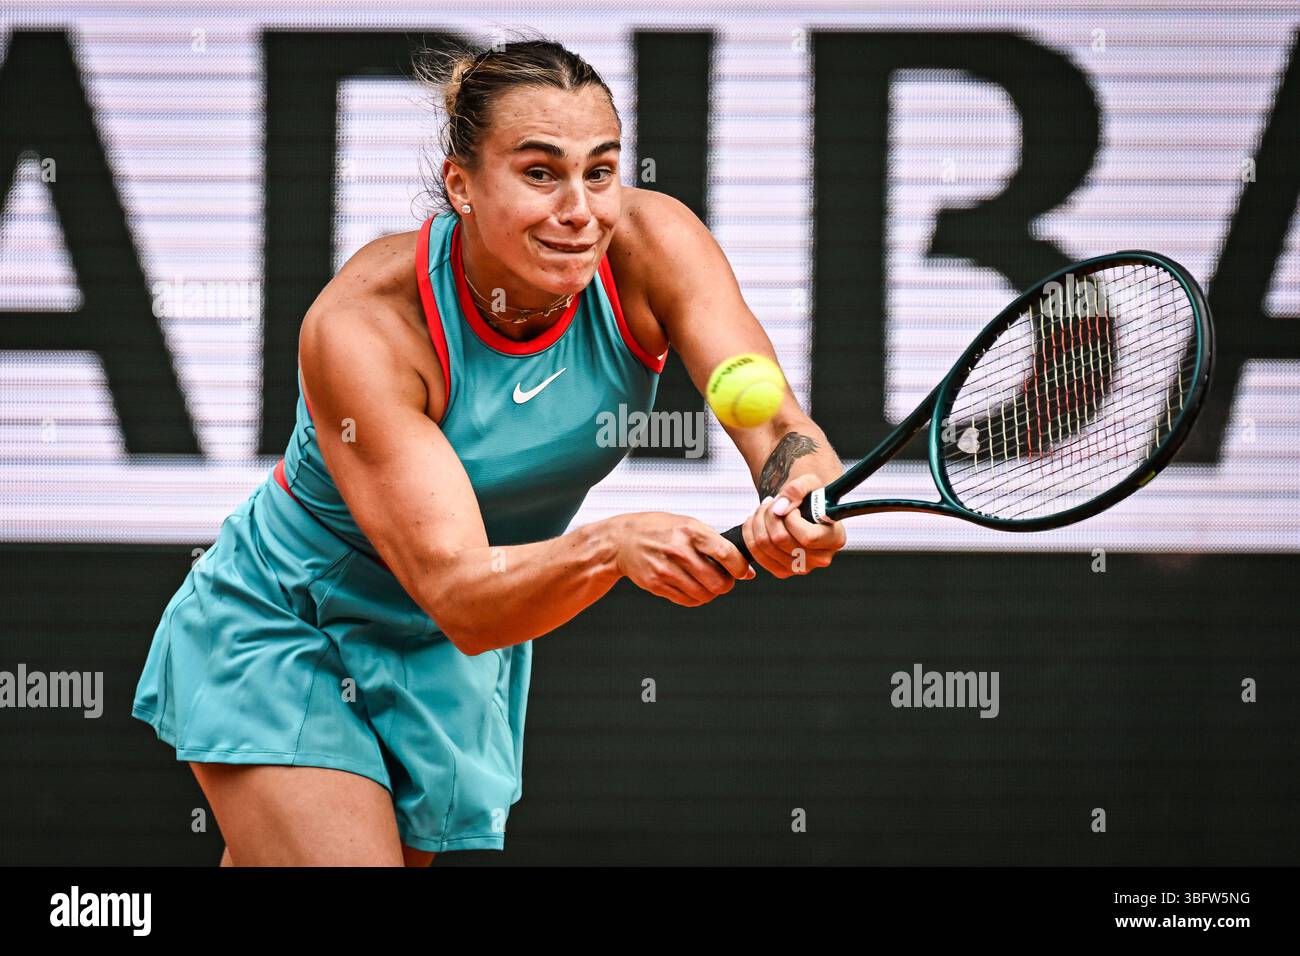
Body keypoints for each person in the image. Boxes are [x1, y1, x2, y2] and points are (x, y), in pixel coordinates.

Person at [131, 35, 846, 867]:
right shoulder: (367, 326)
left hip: (453, 640)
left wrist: (803, 500)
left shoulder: (655, 248)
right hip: (296, 619)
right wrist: (611, 546)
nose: (580, 209)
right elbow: (459, 595)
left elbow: (772, 422)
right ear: (461, 186)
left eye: (602, 171)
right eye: (540, 173)